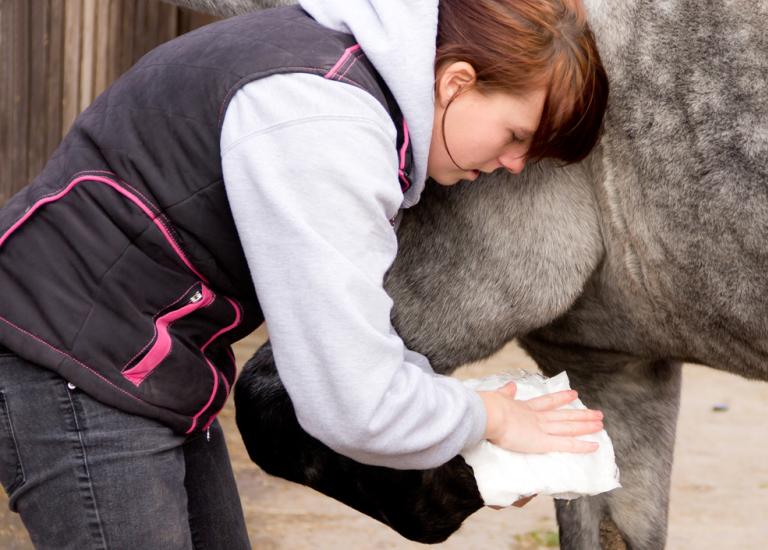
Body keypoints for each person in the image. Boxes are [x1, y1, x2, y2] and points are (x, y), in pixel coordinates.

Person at [0, 0, 609, 547]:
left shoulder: (345, 80)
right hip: (73, 353)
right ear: (456, 81)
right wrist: (492, 420)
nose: (514, 164)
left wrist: (475, 431)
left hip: (149, 358)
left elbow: (357, 344)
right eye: (517, 135)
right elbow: (353, 400)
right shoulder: (324, 121)